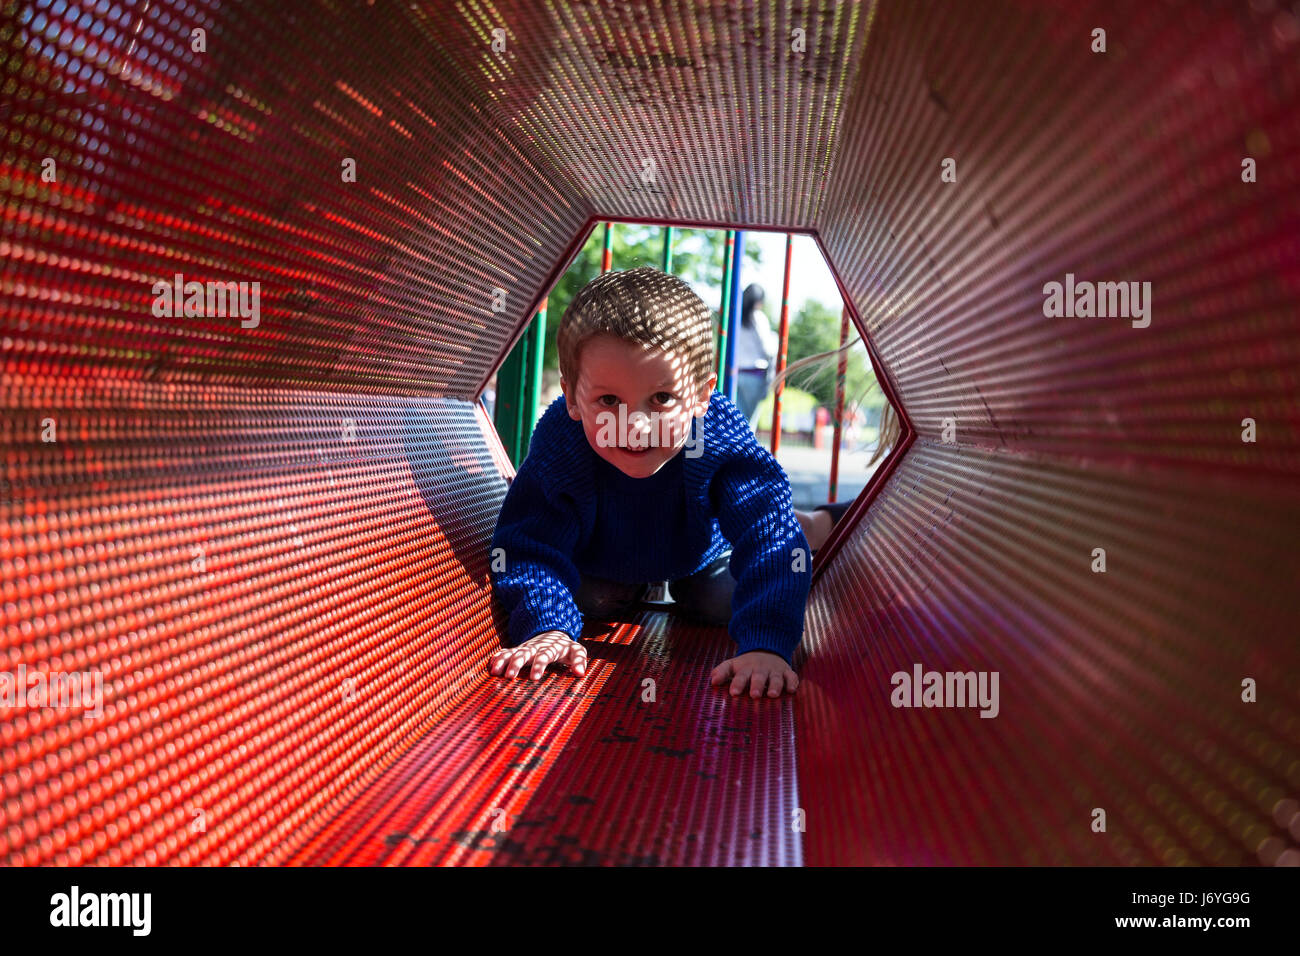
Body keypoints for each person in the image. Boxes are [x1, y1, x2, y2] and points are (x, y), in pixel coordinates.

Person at [487, 267, 811, 698]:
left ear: (701, 396)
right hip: (601, 561)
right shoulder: (563, 441)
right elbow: (528, 544)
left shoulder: (713, 435)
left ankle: (818, 527)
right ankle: (630, 588)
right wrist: (546, 626)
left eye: (661, 399)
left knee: (718, 599)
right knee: (593, 601)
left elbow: (769, 533)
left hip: (697, 555)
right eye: (608, 400)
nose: (634, 425)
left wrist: (767, 644)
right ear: (572, 397)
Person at [732, 283, 780, 423]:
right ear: (759, 301)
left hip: (737, 373)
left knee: (738, 421)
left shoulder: (735, 317)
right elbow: (768, 349)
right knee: (749, 423)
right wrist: (775, 339)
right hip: (755, 374)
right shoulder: (758, 317)